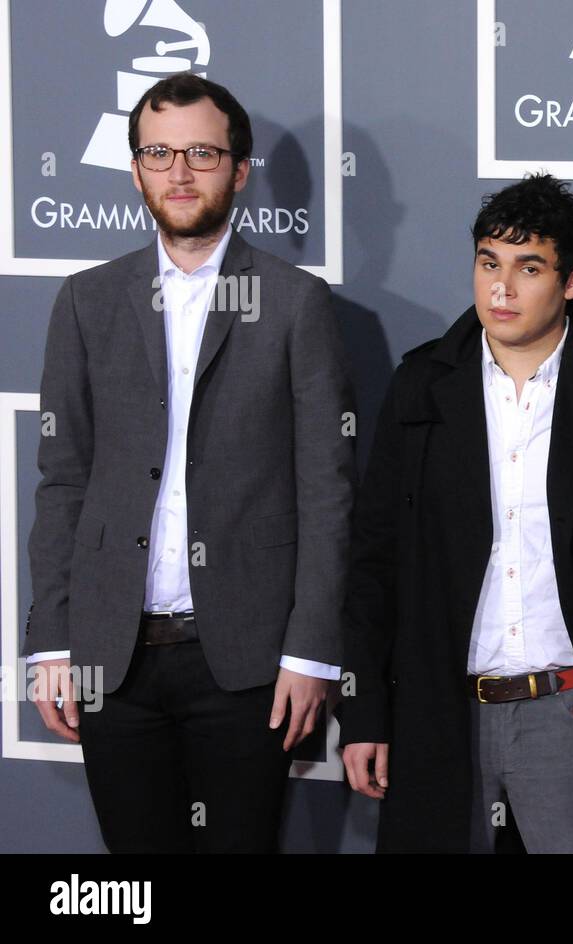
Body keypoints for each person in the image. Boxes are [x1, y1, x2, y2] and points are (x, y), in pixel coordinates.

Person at [340, 173, 573, 853]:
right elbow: (375, 558)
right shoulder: (422, 384)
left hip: (572, 711)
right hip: (438, 711)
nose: (502, 289)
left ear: (572, 280)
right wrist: (365, 708)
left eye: (528, 267)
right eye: (489, 263)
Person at [25, 72, 355, 852]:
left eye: (201, 153)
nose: (179, 173)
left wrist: (311, 651)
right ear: (136, 168)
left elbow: (327, 491)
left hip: (245, 662)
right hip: (114, 659)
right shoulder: (86, 301)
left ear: (239, 170)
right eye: (158, 153)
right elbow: (62, 479)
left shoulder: (295, 303)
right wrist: (53, 639)